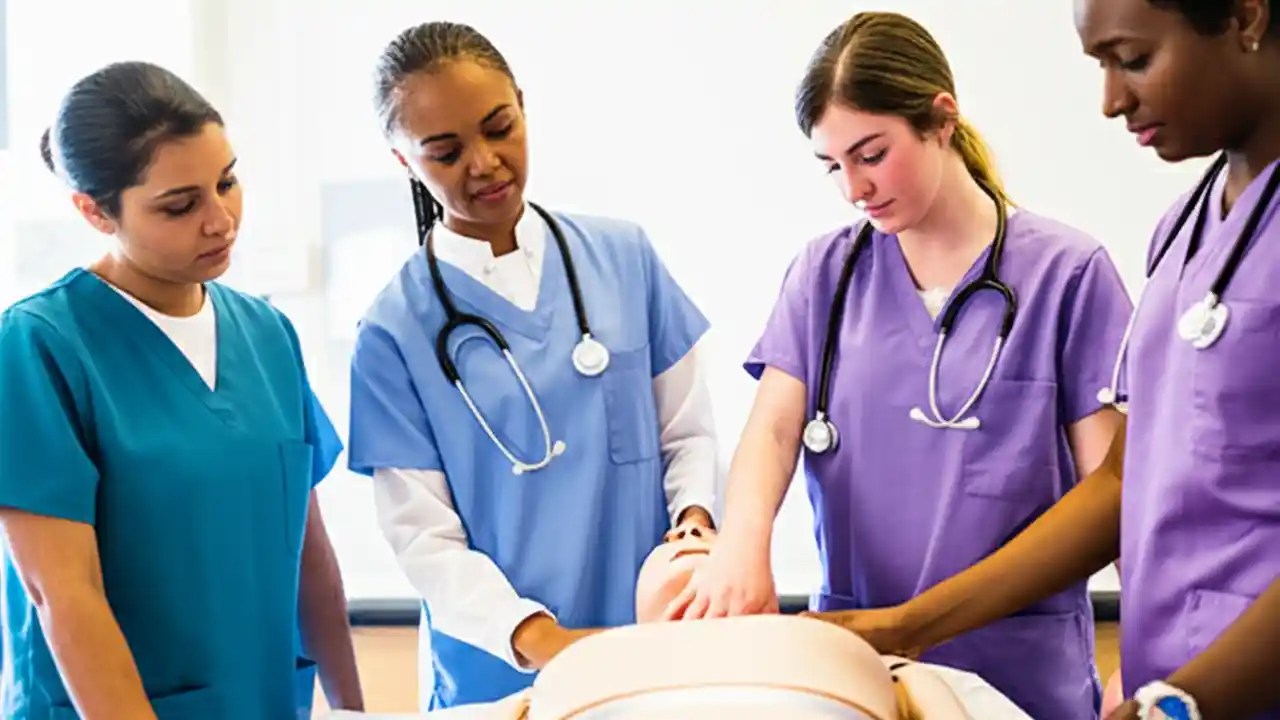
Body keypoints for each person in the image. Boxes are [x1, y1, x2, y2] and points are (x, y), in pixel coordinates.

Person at [793, 2, 1280, 719]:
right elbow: (1124, 480)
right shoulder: (1184, 232)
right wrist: (908, 625)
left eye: (1134, 59)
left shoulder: (1067, 269)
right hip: (1168, 674)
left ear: (1245, 17)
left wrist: (1184, 703)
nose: (1112, 100)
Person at [668, 11, 1133, 720]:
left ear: (941, 118)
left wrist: (1142, 654)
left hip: (1020, 671)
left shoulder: (1068, 275)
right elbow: (771, 432)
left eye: (871, 153)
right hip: (863, 669)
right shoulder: (826, 274)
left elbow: (1115, 497)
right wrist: (742, 544)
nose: (854, 187)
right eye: (833, 166)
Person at [347, 21, 718, 710]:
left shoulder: (624, 257)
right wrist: (548, 642)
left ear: (522, 103)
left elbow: (686, 434)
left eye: (499, 127)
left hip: (652, 650)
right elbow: (424, 539)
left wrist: (696, 524)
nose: (484, 163)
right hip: (504, 678)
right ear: (404, 161)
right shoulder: (394, 329)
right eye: (446, 151)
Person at [0, 61, 364, 719]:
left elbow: (308, 553)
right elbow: (63, 593)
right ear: (93, 210)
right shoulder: (39, 346)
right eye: (180, 204)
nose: (220, 219)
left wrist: (352, 708)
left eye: (227, 182)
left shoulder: (267, 333)